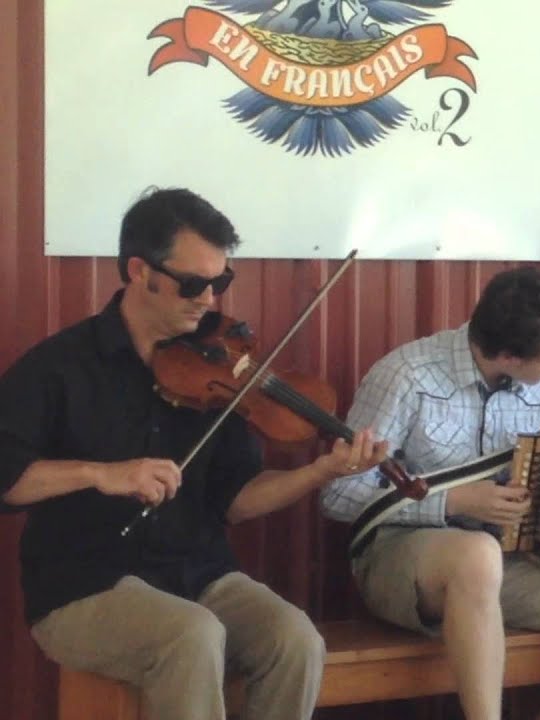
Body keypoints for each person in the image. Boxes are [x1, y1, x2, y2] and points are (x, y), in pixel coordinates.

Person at [0, 187, 388, 720]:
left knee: (295, 638)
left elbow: (236, 500)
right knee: (191, 635)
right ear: (139, 270)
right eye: (194, 283)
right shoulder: (59, 367)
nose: (209, 298)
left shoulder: (218, 369)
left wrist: (320, 471)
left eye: (220, 281)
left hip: (197, 572)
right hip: (82, 584)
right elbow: (7, 477)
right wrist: (99, 473)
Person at [320, 267, 540, 720]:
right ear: (509, 355)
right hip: (398, 557)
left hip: (506, 553)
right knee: (476, 554)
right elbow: (338, 495)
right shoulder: (406, 375)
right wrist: (451, 501)